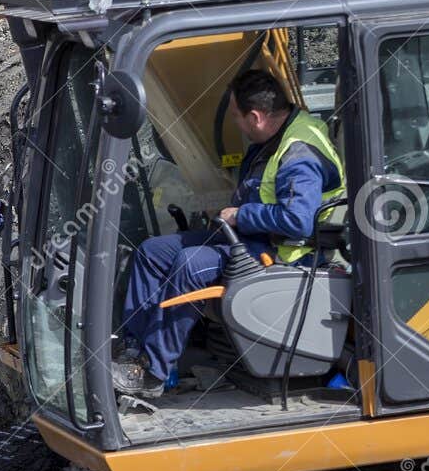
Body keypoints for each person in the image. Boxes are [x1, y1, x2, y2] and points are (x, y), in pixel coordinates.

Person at [113, 70, 345, 400]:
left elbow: (298, 221)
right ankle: (134, 352)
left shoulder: (298, 154)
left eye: (237, 117)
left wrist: (240, 214)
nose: (236, 124)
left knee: (190, 264)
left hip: (281, 254)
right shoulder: (274, 139)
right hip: (249, 239)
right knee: (152, 252)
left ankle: (153, 372)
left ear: (256, 116)